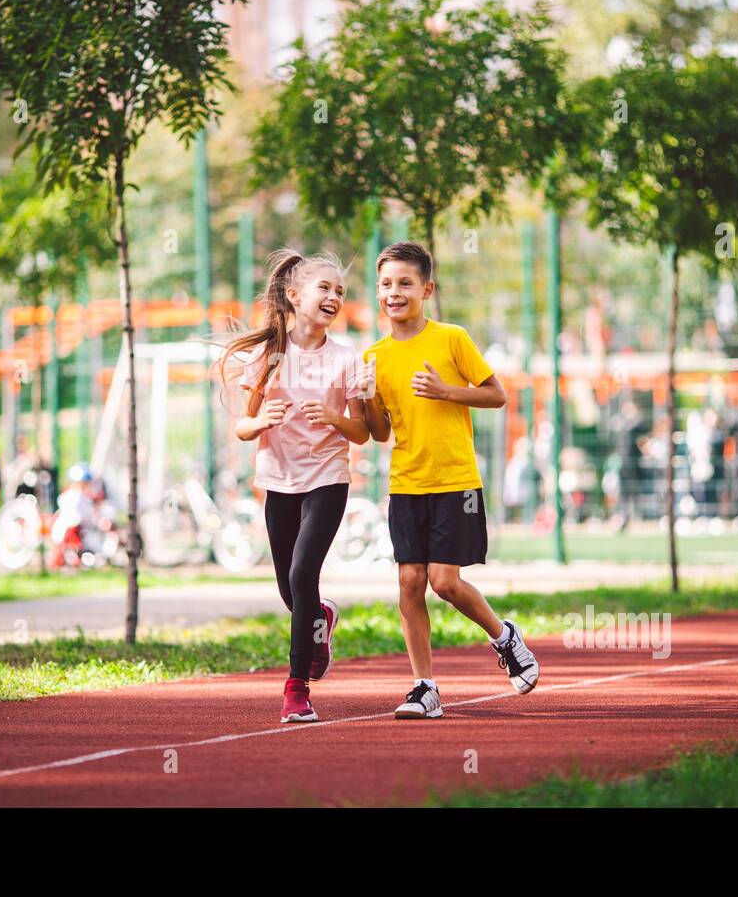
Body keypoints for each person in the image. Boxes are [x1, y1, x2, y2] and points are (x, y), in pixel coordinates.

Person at [360, 241, 539, 720]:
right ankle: (424, 686)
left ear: (427, 289)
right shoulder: (372, 356)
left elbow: (496, 395)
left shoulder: (451, 338)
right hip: (405, 483)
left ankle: (504, 636)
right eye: (385, 284)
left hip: (454, 481)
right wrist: (362, 401)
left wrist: (446, 391)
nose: (393, 293)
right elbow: (378, 433)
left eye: (404, 283)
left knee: (445, 583)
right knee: (409, 581)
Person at [219, 249, 369, 724]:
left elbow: (363, 431)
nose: (333, 297)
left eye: (340, 292)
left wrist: (334, 418)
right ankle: (319, 617)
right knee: (291, 590)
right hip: (277, 482)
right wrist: (261, 418)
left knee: (304, 574)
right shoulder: (268, 355)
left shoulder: (348, 360)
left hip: (327, 477)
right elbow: (242, 429)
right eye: (324, 288)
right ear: (293, 295)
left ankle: (296, 689)